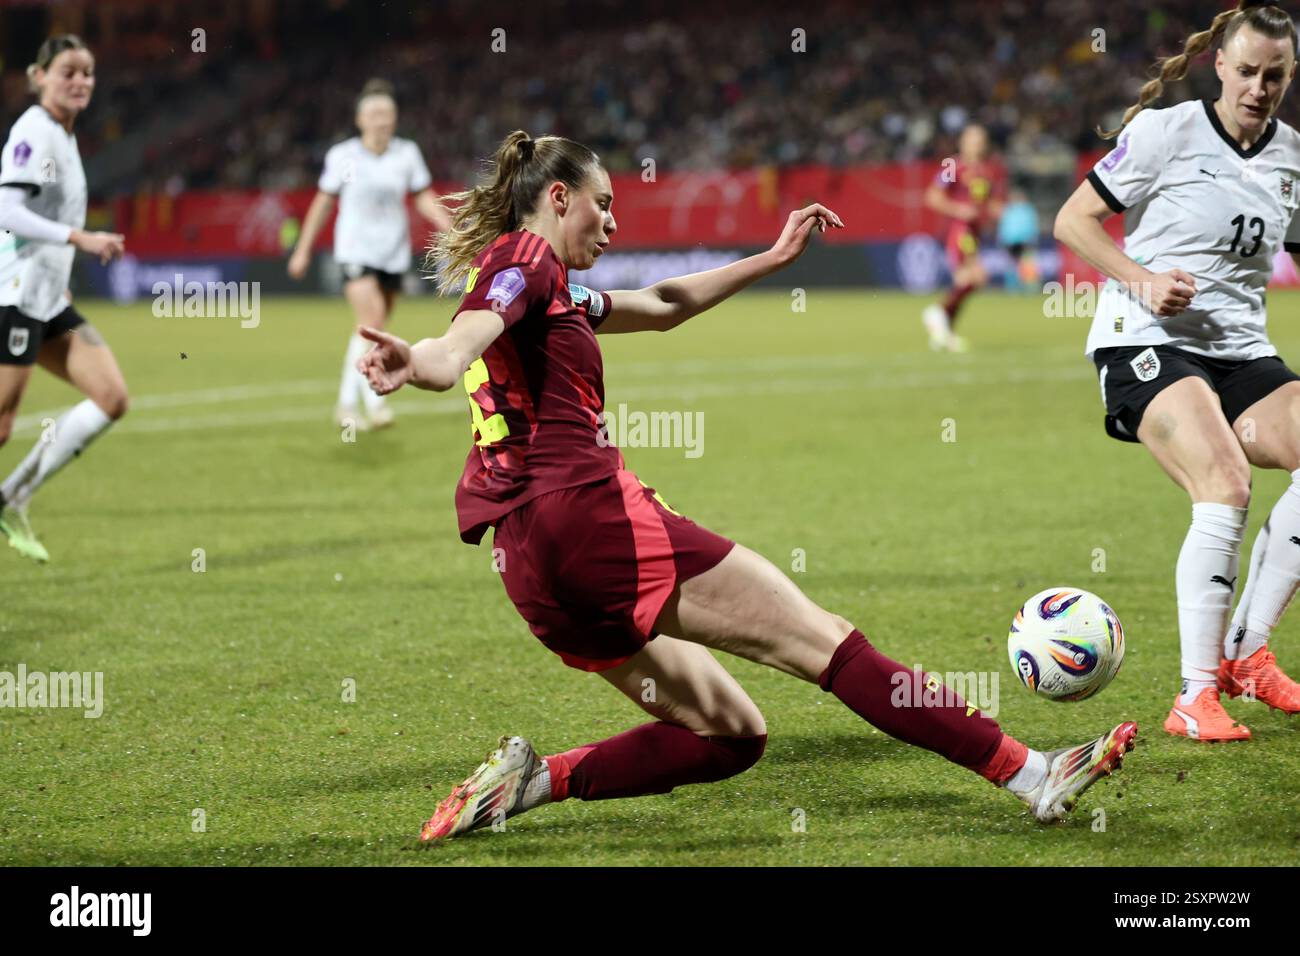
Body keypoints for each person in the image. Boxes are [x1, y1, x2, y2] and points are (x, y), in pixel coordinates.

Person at [358, 130, 1136, 839]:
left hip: (530, 565)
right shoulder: (526, 260)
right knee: (823, 641)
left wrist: (769, 259)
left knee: (731, 735)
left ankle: (532, 782)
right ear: (558, 198)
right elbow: (459, 342)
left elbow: (661, 304)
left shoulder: (551, 285)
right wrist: (418, 365)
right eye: (604, 203)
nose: (613, 222)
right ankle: (1033, 773)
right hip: (588, 520)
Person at [1055, 0, 1300, 742]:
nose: (1258, 87)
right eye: (1248, 70)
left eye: (1276, 75)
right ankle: (1194, 697)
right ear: (1219, 64)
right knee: (1224, 482)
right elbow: (1074, 220)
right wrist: (1141, 279)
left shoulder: (1291, 154)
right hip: (1145, 341)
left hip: (1240, 353)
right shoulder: (1167, 130)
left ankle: (1248, 650)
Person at [0, 35, 127, 563]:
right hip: (16, 296)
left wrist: (60, 272)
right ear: (39, 75)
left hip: (47, 298)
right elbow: (6, 209)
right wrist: (81, 239)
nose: (79, 81)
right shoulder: (35, 131)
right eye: (67, 71)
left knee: (111, 397)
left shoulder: (63, 134)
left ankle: (10, 500)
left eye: (88, 72)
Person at [288, 78, 450, 430]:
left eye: (387, 114)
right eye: (375, 113)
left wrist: (445, 223)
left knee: (374, 328)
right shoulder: (343, 156)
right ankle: (359, 405)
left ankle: (359, 403)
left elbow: (421, 194)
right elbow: (323, 202)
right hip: (354, 250)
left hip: (392, 253)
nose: (382, 120)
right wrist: (302, 250)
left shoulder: (406, 153)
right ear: (360, 120)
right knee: (371, 321)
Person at [921, 123, 1007, 352]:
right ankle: (938, 315)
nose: (976, 144)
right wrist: (959, 210)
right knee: (975, 277)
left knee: (968, 281)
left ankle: (942, 328)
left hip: (976, 233)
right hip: (959, 230)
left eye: (980, 140)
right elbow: (932, 196)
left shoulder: (990, 169)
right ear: (962, 142)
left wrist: (996, 210)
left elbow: (993, 202)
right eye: (972, 139)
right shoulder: (953, 166)